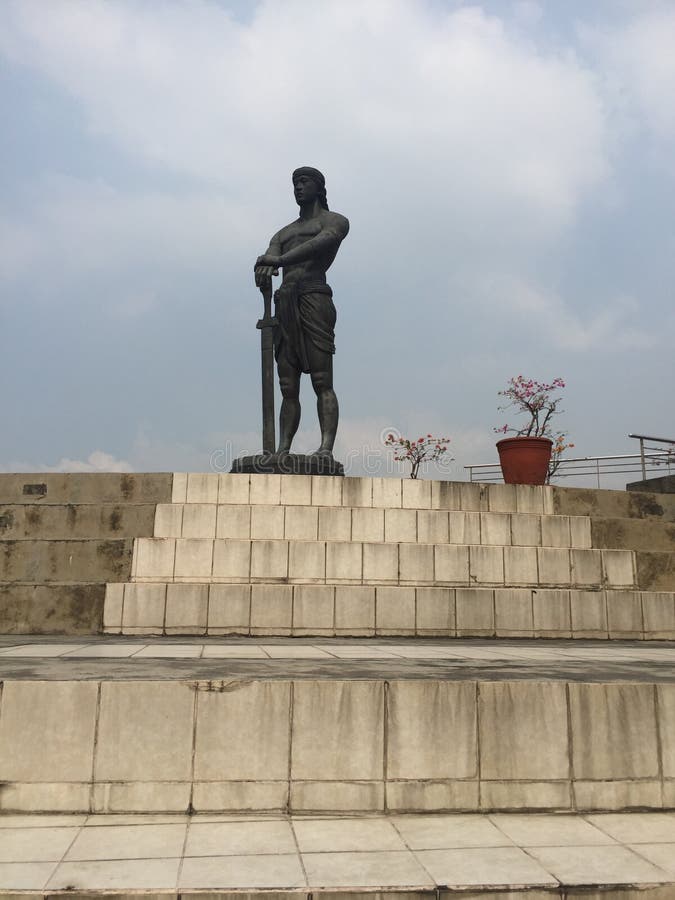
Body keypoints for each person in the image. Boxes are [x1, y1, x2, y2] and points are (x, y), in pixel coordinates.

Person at [254, 167, 349, 456]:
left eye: (304, 182)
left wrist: (278, 260)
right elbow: (268, 260)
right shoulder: (283, 233)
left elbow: (320, 243)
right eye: (295, 183)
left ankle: (325, 448)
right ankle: (283, 449)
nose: (298, 187)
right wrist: (262, 274)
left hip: (313, 298)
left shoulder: (335, 221)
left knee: (322, 379)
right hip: (284, 305)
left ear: (319, 187)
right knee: (287, 384)